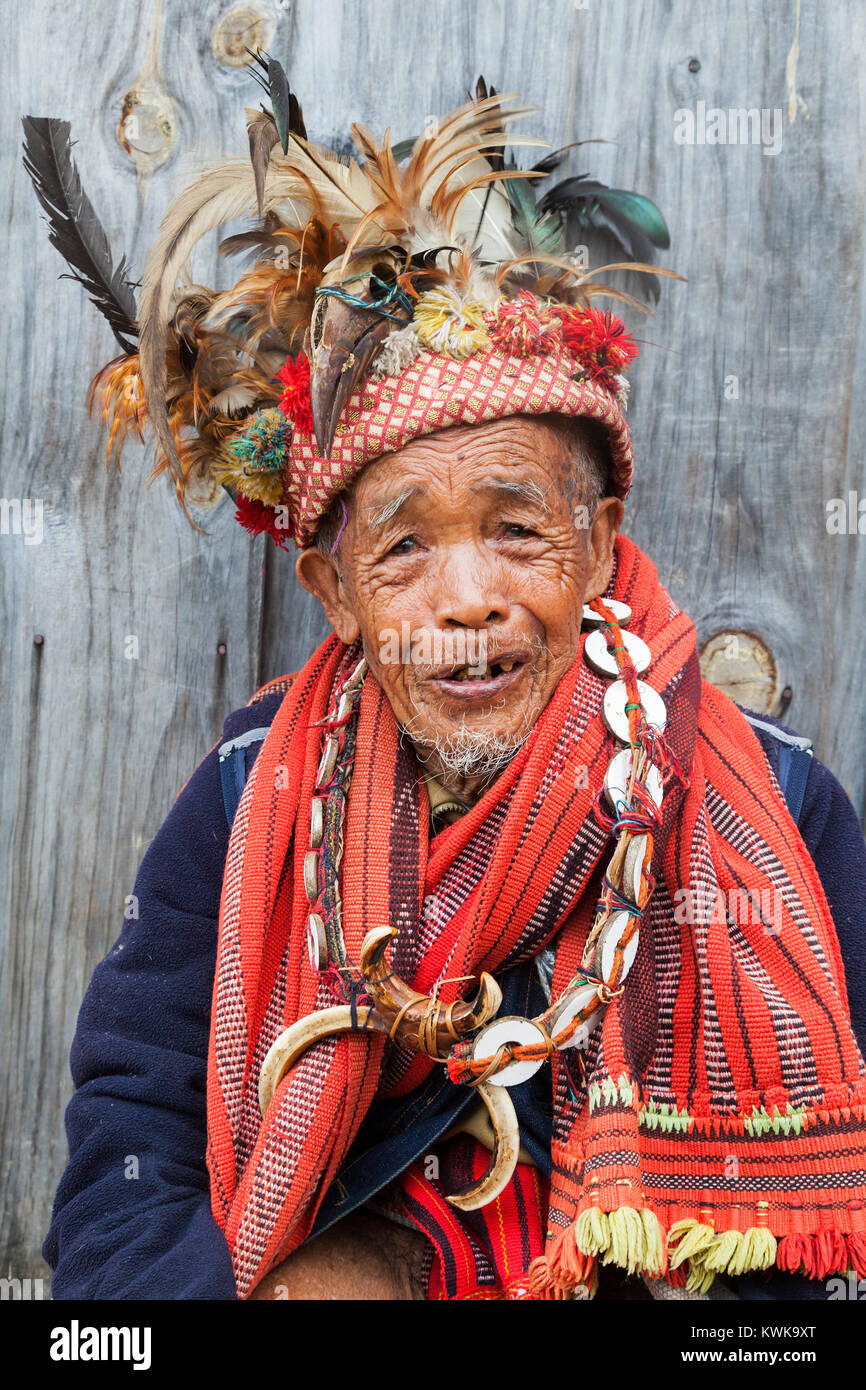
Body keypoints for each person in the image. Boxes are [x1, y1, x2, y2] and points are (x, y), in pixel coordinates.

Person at [33, 83, 866, 1301]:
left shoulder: (778, 806)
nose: (466, 596)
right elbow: (135, 1116)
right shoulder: (247, 792)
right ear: (333, 587)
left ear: (595, 541)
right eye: (404, 548)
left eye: (518, 527)